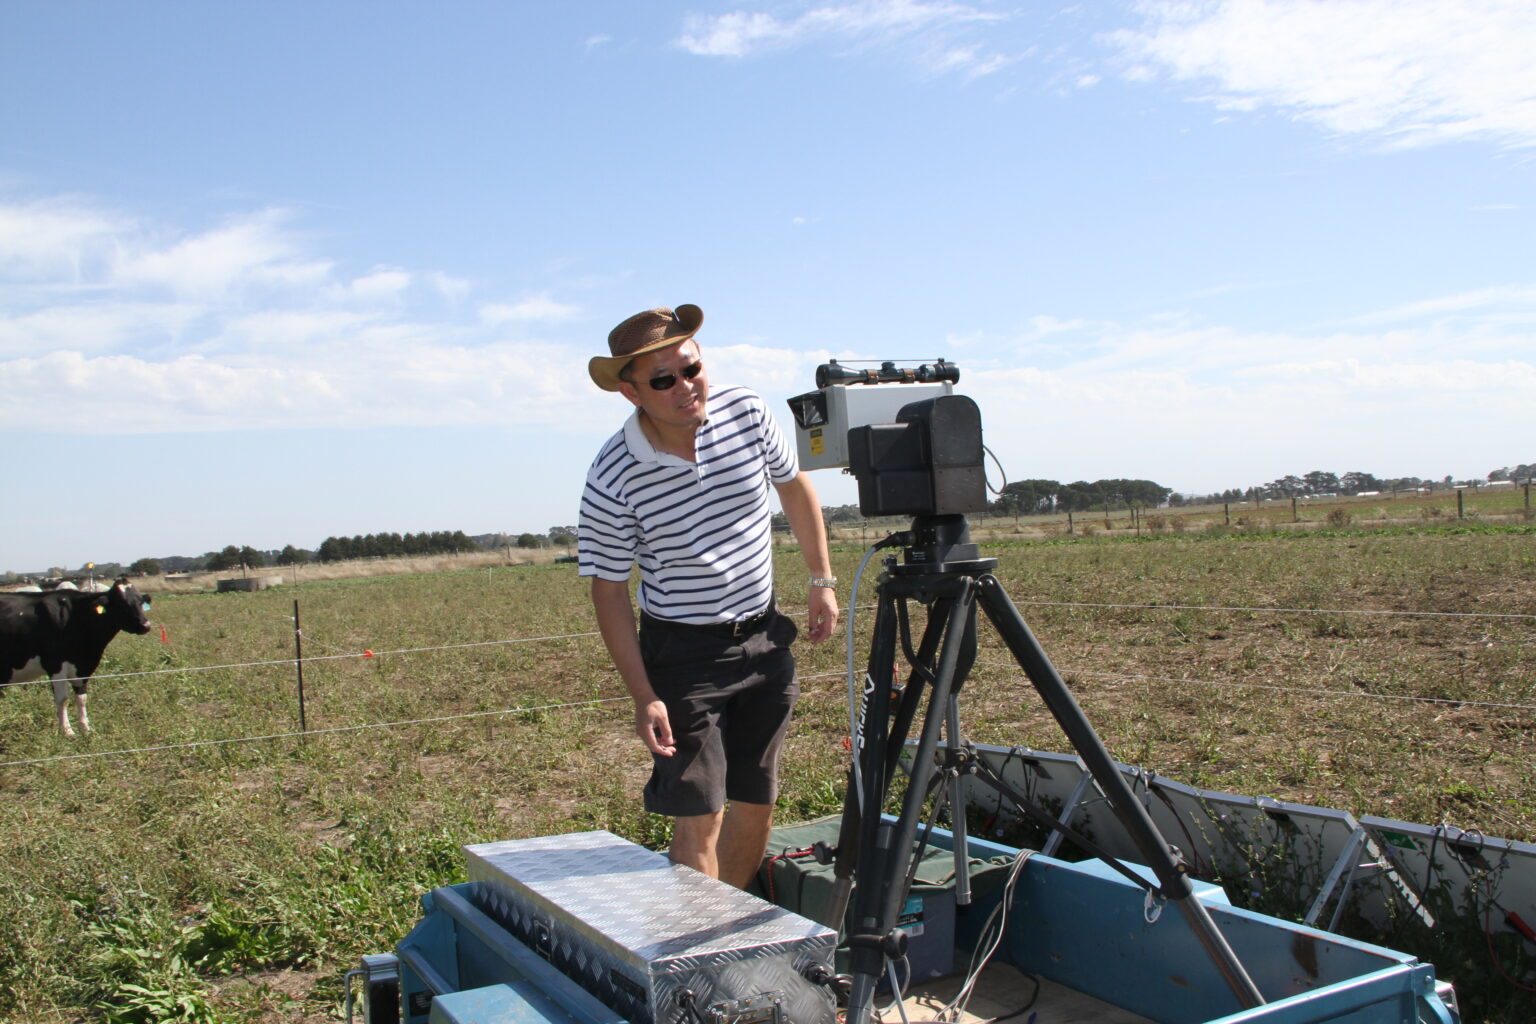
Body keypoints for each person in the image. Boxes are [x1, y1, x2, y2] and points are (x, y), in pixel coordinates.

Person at [577, 303, 838, 889]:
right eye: (663, 380)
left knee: (756, 800)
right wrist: (644, 694)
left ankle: (732, 935)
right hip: (684, 656)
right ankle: (690, 964)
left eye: (691, 369)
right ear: (631, 393)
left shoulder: (747, 412)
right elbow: (609, 588)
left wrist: (821, 580)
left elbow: (794, 489)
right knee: (701, 812)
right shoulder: (613, 473)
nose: (685, 387)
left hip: (765, 638)